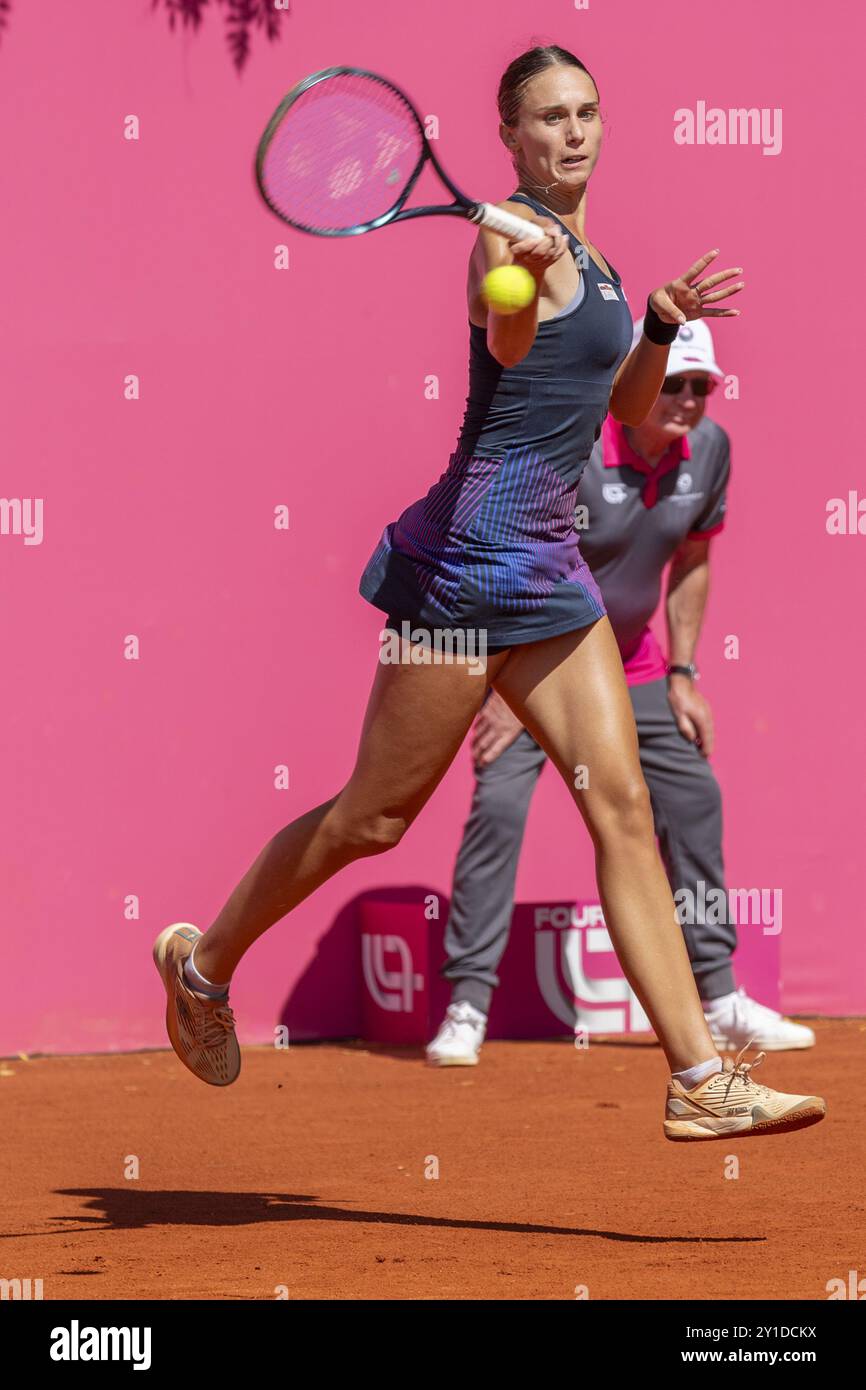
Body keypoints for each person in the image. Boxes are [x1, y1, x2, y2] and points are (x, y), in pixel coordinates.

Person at [153, 44, 825, 1142]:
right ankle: (204, 963)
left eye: (586, 112)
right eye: (548, 117)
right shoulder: (497, 239)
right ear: (507, 137)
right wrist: (508, 284)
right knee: (369, 820)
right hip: (466, 569)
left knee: (621, 807)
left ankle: (699, 1076)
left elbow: (621, 401)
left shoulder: (596, 259)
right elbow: (508, 342)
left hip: (550, 572)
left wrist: (653, 321)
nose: (572, 132)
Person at [427, 318, 815, 1066]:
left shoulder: (711, 451)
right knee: (499, 806)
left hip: (633, 667)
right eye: (673, 383)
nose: (689, 400)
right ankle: (468, 1004)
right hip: (537, 666)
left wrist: (683, 672)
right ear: (635, 386)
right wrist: (506, 683)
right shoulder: (572, 452)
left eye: (702, 386)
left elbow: (693, 560)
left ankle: (722, 997)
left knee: (693, 795)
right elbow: (512, 562)